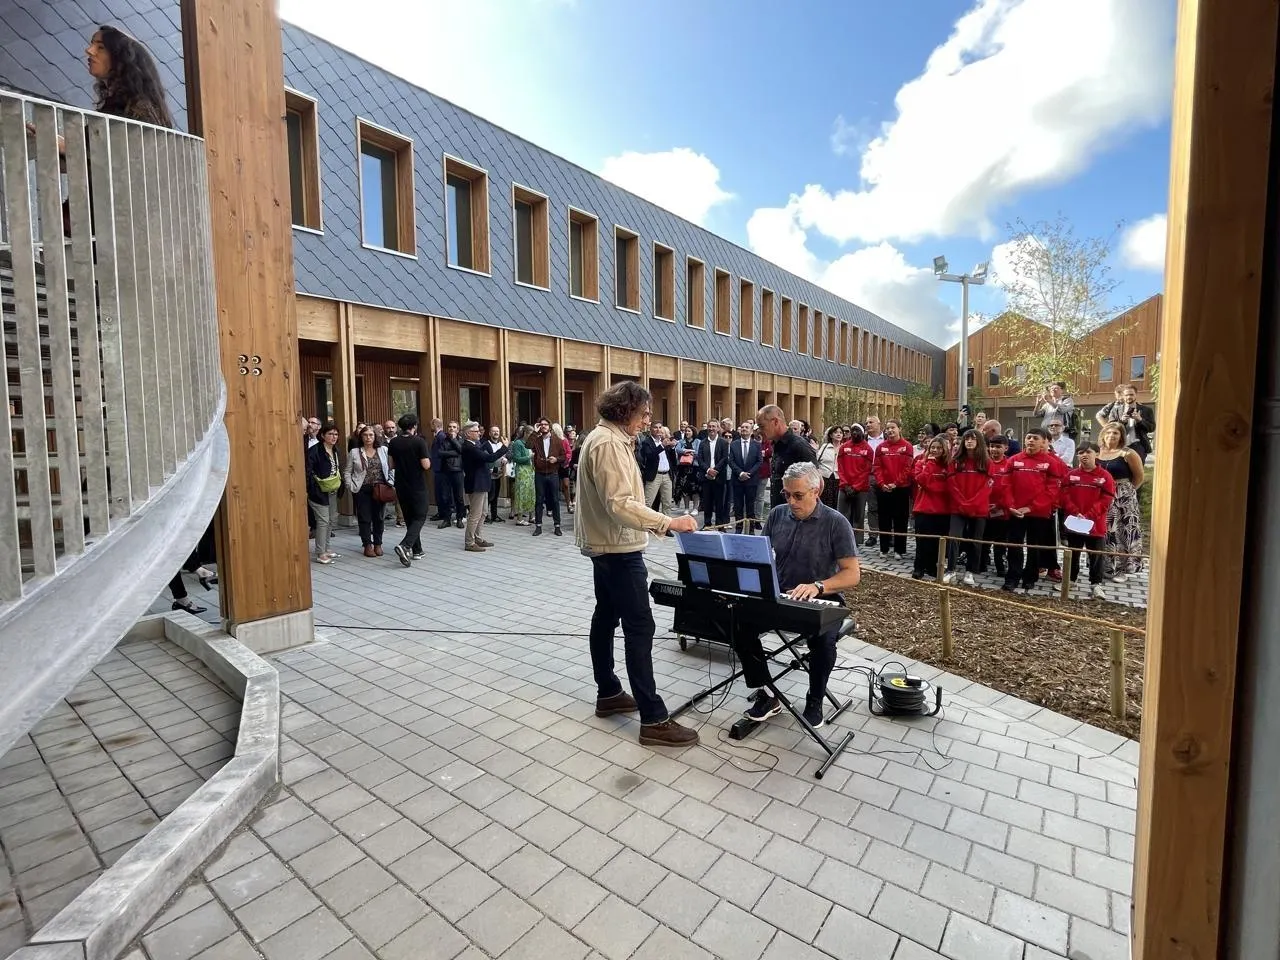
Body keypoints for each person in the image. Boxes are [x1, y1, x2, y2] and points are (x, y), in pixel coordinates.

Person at [575, 381, 699, 747]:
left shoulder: (605, 437)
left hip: (609, 545)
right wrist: (669, 522)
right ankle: (654, 719)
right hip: (617, 550)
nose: (648, 420)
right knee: (639, 627)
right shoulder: (610, 443)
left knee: (606, 616)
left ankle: (609, 692)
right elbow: (620, 503)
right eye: (644, 413)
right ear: (625, 410)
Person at [738, 463, 862, 729]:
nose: (791, 501)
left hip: (822, 597)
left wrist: (817, 586)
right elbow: (761, 557)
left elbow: (852, 575)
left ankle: (815, 698)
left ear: (816, 491)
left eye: (798, 495)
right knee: (740, 624)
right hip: (780, 595)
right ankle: (767, 693)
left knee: (824, 641)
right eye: (786, 495)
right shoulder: (777, 515)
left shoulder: (836, 523)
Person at [1001, 428, 1068, 594]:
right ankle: (1012, 578)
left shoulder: (1050, 462)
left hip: (1038, 513)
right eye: (1028, 437)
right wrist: (1011, 505)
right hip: (1016, 512)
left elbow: (1052, 490)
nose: (1031, 440)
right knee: (1014, 546)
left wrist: (1031, 507)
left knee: (1034, 547)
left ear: (1043, 441)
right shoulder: (1014, 460)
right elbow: (1005, 484)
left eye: (1035, 438)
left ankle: (1030, 578)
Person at [1060, 443, 1116, 599]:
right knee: (1073, 552)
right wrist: (1074, 511)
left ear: (1097, 454)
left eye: (1088, 452)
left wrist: (1090, 514)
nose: (1084, 455)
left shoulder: (1105, 476)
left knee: (1096, 555)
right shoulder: (1071, 475)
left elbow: (1107, 498)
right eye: (1080, 453)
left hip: (1095, 524)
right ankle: (1071, 580)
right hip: (1075, 522)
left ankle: (1096, 584)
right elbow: (1064, 494)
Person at [1097, 422, 1146, 582]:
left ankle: (1122, 569)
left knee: (1123, 533)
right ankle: (1106, 566)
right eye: (1109, 432)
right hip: (1101, 495)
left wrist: (1127, 492)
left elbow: (1139, 477)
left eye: (1116, 433)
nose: (1111, 435)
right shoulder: (1097, 452)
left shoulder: (1128, 453)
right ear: (1103, 434)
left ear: (1121, 436)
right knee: (1106, 531)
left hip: (1123, 497)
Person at [945, 429, 992, 585]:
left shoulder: (986, 462)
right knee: (954, 537)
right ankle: (950, 570)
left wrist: (972, 503)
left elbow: (987, 487)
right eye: (966, 439)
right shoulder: (955, 461)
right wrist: (962, 503)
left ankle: (970, 572)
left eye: (972, 439)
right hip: (958, 508)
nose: (969, 442)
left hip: (979, 509)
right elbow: (951, 484)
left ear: (979, 442)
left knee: (975, 540)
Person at [387, 413, 432, 566]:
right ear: (414, 426)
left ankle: (417, 550)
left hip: (401, 484)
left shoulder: (393, 442)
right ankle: (405, 545)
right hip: (417, 484)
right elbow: (426, 465)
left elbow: (391, 465)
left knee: (409, 517)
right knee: (420, 516)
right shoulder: (419, 441)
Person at [343, 424, 392, 557]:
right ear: (361, 437)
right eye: (365, 435)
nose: (368, 437)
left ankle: (378, 544)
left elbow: (391, 467)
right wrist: (350, 485)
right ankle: (367, 545)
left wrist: (391, 481)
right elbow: (347, 471)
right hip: (362, 488)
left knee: (379, 517)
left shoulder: (383, 450)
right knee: (364, 518)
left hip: (380, 488)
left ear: (375, 436)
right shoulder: (354, 452)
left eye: (371, 435)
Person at [757, 405, 817, 507]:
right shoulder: (776, 445)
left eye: (762, 426)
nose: (759, 431)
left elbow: (817, 482)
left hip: (796, 514)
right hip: (780, 511)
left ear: (775, 422)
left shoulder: (798, 445)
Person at [460, 421, 507, 552]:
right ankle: (469, 542)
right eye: (476, 431)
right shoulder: (469, 447)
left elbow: (487, 454)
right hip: (476, 484)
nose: (479, 433)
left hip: (482, 482)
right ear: (468, 434)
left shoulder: (476, 445)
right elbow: (490, 458)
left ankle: (478, 538)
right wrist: (504, 447)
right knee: (475, 514)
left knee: (483, 513)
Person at [910, 438, 951, 580]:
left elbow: (948, 487)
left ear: (944, 450)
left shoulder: (949, 466)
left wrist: (931, 487)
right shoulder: (921, 463)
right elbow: (921, 480)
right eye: (933, 447)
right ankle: (918, 568)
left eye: (939, 448)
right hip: (924, 509)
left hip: (943, 511)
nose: (935, 450)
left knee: (937, 543)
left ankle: (932, 567)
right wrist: (931, 464)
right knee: (922, 542)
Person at [871, 419, 914, 557]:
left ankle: (899, 550)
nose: (890, 430)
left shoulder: (907, 446)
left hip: (901, 488)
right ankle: (884, 548)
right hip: (883, 488)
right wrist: (882, 483)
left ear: (899, 428)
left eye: (893, 427)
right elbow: (877, 467)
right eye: (888, 428)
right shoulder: (880, 447)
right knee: (884, 519)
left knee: (901, 520)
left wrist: (896, 483)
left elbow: (908, 468)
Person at [306, 422, 343, 564]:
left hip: (332, 489)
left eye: (335, 434)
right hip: (318, 491)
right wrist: (312, 488)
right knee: (323, 521)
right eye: (330, 434)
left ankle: (327, 548)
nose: (333, 437)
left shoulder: (335, 450)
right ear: (322, 435)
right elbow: (308, 471)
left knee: (332, 519)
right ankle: (320, 552)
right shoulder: (315, 451)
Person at [835, 423, 874, 546]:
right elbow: (840, 467)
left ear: (863, 432)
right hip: (844, 487)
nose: (854, 433)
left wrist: (856, 487)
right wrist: (845, 484)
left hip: (861, 489)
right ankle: (842, 538)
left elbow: (866, 471)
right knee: (842, 514)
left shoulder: (868, 449)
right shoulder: (844, 447)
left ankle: (857, 540)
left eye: (857, 430)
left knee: (859, 516)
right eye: (852, 431)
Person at [1097, 384, 1156, 460]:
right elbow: (1111, 427)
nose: (1129, 397)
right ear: (1123, 396)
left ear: (1136, 395)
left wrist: (1140, 420)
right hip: (1119, 445)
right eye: (1126, 395)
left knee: (1137, 471)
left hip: (1138, 446)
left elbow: (1151, 428)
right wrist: (1121, 422)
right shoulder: (1116, 410)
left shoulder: (1146, 410)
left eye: (1131, 394)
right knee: (1120, 469)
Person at [728, 422, 763, 533]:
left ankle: (751, 529)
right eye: (742, 427)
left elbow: (759, 461)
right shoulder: (734, 444)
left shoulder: (756, 445)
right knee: (738, 506)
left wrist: (748, 474)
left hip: (751, 480)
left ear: (751, 431)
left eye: (746, 427)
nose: (744, 429)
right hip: (737, 480)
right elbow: (731, 461)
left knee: (750, 506)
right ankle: (738, 528)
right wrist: (740, 473)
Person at [696, 421, 729, 528]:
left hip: (719, 476)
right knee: (707, 502)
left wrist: (715, 470)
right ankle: (707, 524)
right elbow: (700, 459)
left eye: (713, 426)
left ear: (718, 428)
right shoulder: (702, 443)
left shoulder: (723, 442)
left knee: (720, 503)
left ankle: (720, 525)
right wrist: (708, 470)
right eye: (709, 426)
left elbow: (725, 459)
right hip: (706, 477)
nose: (711, 429)